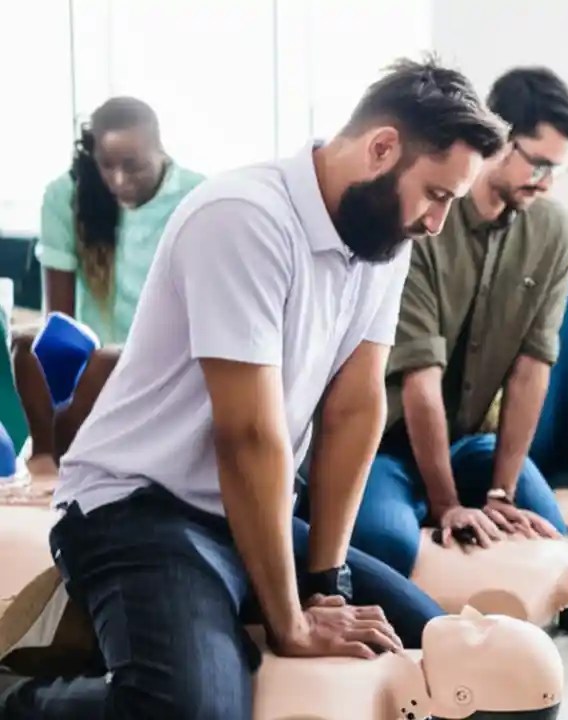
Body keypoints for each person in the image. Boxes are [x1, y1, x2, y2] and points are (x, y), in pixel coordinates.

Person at [0, 56, 509, 719]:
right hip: (137, 509)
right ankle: (22, 701)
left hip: (249, 515)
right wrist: (290, 622)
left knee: (441, 654)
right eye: (438, 194)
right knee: (197, 711)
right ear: (383, 148)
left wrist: (327, 583)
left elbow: (356, 406)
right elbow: (247, 436)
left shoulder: (384, 240)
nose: (439, 222)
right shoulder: (245, 215)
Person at [332, 66, 568, 576]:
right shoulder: (424, 220)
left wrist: (501, 491)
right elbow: (420, 380)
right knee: (383, 545)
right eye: (538, 164)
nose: (546, 183)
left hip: (474, 441)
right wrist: (448, 504)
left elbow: (531, 368)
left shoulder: (552, 230)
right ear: (500, 140)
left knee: (551, 541)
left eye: (557, 170)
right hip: (392, 440)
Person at [12, 97, 204, 476]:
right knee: (26, 344)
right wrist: (63, 377)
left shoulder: (198, 198)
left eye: (132, 166)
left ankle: (78, 465)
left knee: (104, 365)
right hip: (91, 359)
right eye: (106, 165)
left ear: (160, 150)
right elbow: (59, 322)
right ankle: (46, 466)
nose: (117, 180)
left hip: (163, 366)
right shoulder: (64, 195)